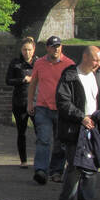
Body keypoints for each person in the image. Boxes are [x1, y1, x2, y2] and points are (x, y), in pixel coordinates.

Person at [55, 44, 100, 200]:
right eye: (95, 60)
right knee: (75, 166)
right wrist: (81, 117)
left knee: (92, 168)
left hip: (93, 128)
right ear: (85, 57)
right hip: (74, 128)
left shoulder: (98, 77)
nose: (98, 64)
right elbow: (63, 102)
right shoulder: (70, 76)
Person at [27, 36, 73, 186]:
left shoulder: (69, 64)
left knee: (60, 142)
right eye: (53, 46)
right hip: (43, 107)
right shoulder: (40, 63)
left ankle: (56, 171)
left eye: (58, 46)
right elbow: (33, 84)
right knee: (44, 139)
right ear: (47, 48)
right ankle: (41, 170)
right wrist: (30, 103)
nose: (56, 49)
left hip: (62, 109)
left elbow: (74, 88)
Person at [5, 37, 36, 167]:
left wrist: (33, 78)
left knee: (40, 132)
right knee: (21, 132)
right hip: (20, 101)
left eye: (29, 50)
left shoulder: (39, 63)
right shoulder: (15, 63)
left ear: (33, 50)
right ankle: (23, 160)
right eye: (24, 50)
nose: (27, 52)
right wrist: (21, 80)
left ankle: (39, 160)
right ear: (21, 50)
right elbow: (8, 80)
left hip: (36, 101)